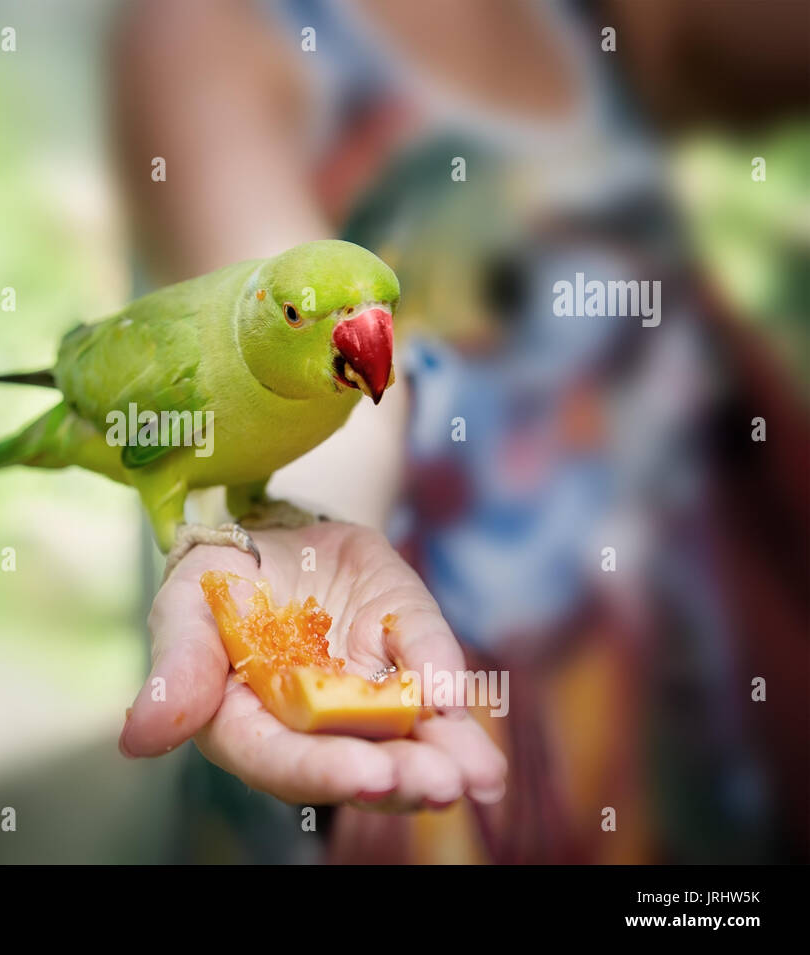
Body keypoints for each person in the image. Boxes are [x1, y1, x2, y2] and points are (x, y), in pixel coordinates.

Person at [110, 0, 809, 863]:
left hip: (669, 723)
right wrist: (299, 536)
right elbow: (289, 376)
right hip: (412, 717)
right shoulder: (210, 33)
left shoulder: (601, 22)